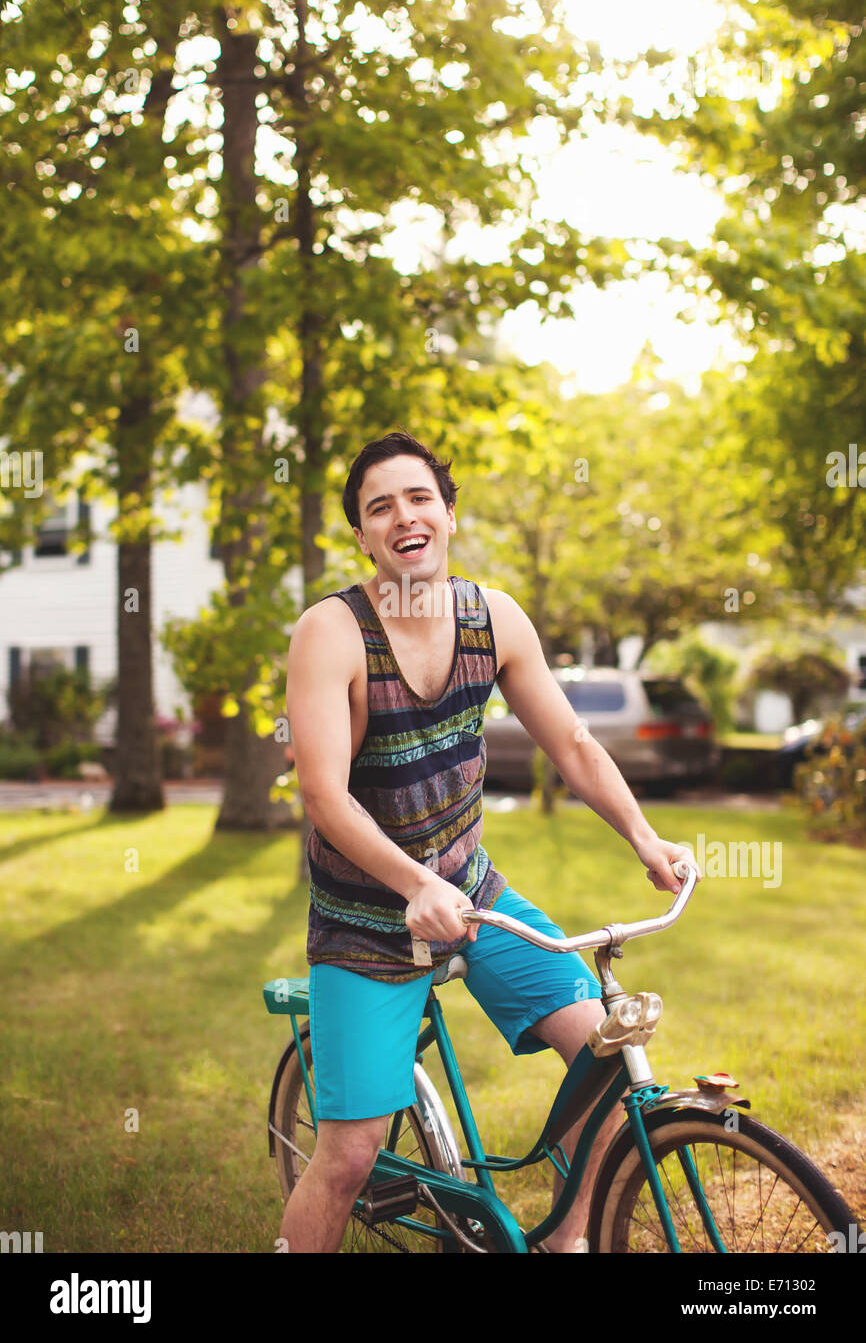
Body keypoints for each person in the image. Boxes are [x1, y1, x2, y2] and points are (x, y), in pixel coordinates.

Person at [282, 429, 701, 1253]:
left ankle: (563, 1242)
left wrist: (645, 838)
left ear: (445, 512)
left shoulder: (492, 618)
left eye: (419, 498)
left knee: (606, 1059)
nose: (404, 516)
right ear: (362, 535)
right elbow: (324, 793)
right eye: (380, 507)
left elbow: (573, 742)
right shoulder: (330, 634)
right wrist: (414, 887)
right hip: (368, 926)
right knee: (350, 1155)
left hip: (473, 892)